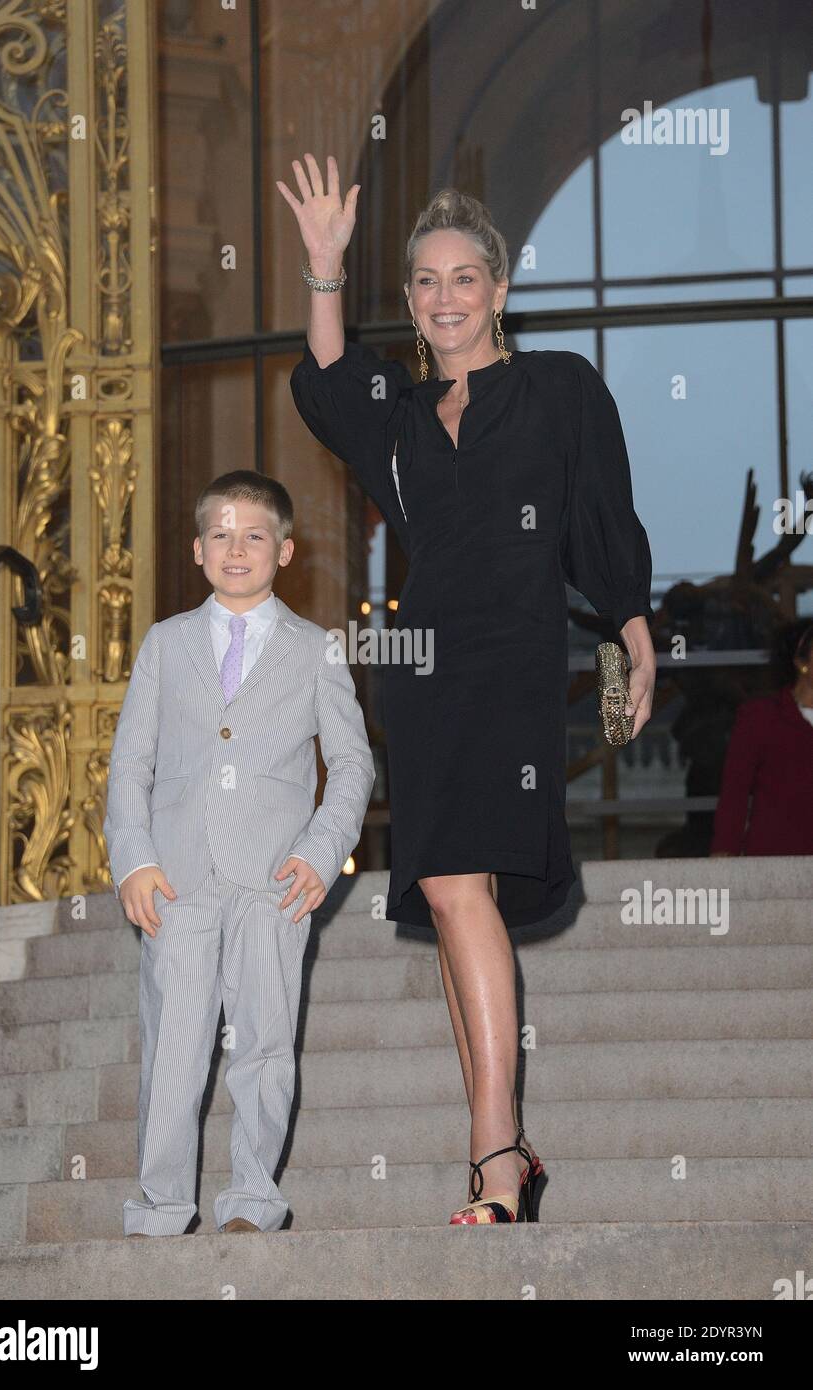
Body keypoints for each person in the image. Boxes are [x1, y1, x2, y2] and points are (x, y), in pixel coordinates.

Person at [279, 154, 656, 1225]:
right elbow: (323, 375)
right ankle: (506, 1152)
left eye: (463, 277)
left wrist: (633, 623)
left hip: (512, 663)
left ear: (496, 288)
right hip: (425, 676)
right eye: (424, 283)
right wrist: (322, 265)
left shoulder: (559, 390)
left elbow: (599, 518)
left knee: (455, 889)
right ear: (409, 303)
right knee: (453, 898)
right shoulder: (395, 418)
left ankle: (494, 1157)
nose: (444, 297)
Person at [103, 470, 375, 1236]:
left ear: (285, 551)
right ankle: (160, 1205)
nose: (236, 547)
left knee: (264, 1039)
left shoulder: (314, 650)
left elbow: (351, 764)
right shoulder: (166, 644)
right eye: (220, 533)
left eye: (254, 534)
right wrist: (134, 858)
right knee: (174, 1048)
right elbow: (131, 762)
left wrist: (322, 852)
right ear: (196, 549)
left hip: (275, 876)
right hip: (177, 876)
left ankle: (253, 1198)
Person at [711, 620, 813, 856]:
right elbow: (734, 793)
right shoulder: (761, 717)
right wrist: (723, 855)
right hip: (774, 861)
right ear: (801, 662)